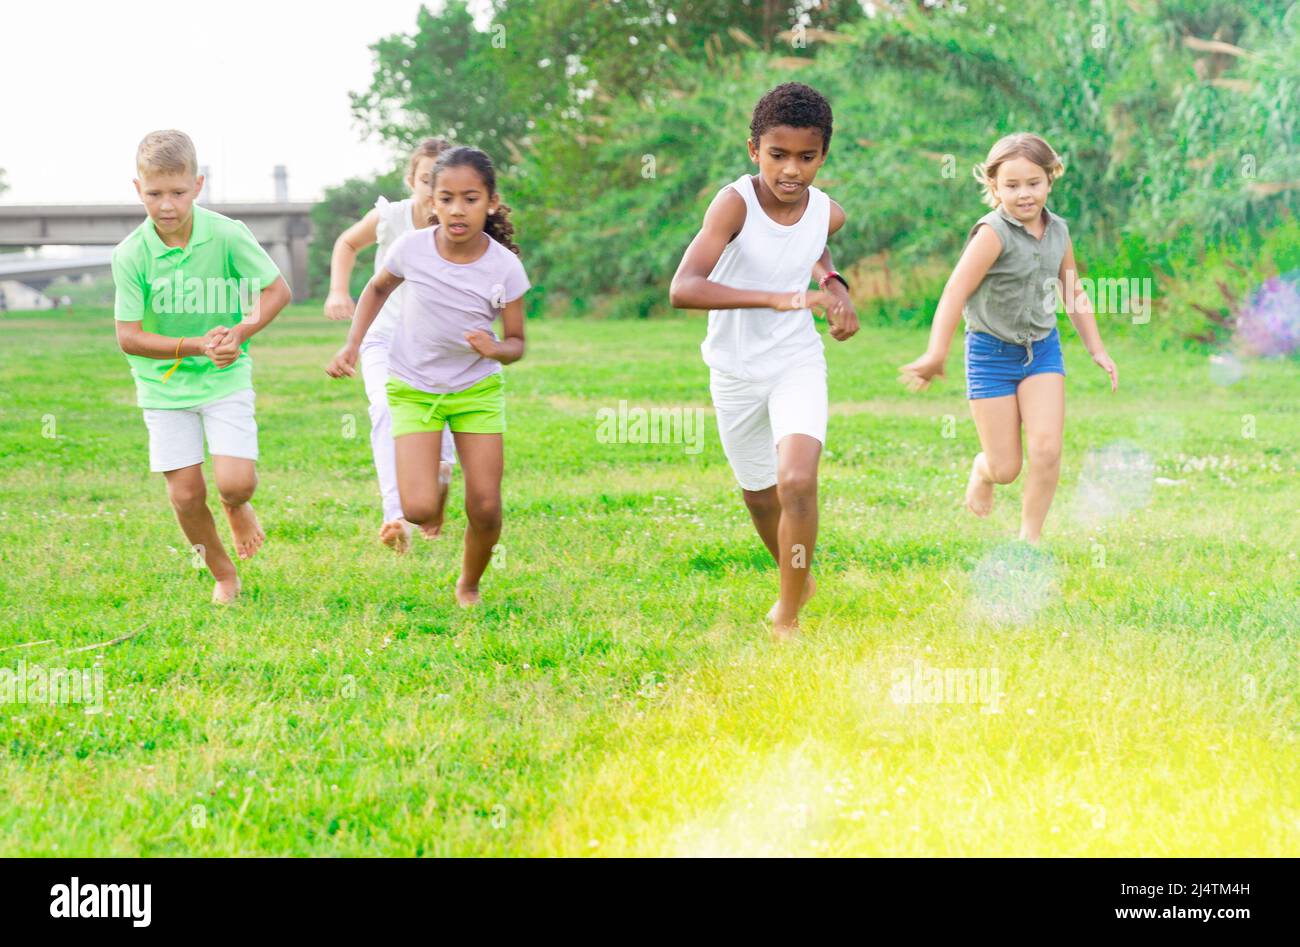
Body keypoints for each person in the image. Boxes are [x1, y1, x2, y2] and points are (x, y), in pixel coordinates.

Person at [669, 82, 859, 638]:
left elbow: (813, 244)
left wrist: (834, 284)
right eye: (778, 155)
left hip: (795, 359)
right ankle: (796, 574)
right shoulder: (735, 203)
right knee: (759, 496)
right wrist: (777, 296)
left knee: (797, 480)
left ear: (824, 155)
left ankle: (788, 614)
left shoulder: (830, 213)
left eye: (807, 157)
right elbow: (684, 288)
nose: (792, 171)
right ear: (755, 150)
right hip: (733, 368)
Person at [327, 147, 529, 607]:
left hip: (476, 390)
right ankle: (437, 483)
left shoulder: (505, 267)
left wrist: (495, 348)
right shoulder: (411, 248)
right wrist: (352, 345)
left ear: (492, 202)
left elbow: (516, 342)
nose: (458, 209)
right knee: (418, 511)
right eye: (447, 198)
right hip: (414, 388)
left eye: (471, 198)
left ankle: (469, 584)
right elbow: (376, 289)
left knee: (486, 507)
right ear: (432, 202)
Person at [899, 132, 1118, 542]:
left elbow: (1072, 291)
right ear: (994, 187)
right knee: (1006, 469)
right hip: (990, 356)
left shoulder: (1059, 232)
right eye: (1011, 185)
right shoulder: (992, 234)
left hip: (1042, 352)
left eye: (1033, 183)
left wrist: (1098, 348)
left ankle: (1029, 538)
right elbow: (954, 292)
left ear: (1050, 180)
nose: (1024, 194)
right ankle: (983, 469)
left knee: (1048, 449)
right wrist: (935, 353)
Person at [112, 129, 292, 603]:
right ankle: (224, 575)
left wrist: (239, 333)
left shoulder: (228, 234)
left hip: (224, 378)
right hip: (163, 388)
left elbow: (276, 292)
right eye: (154, 194)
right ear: (138, 190)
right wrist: (196, 345)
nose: (166, 205)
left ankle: (236, 506)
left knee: (237, 482)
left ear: (198, 185)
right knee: (186, 496)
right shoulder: (130, 254)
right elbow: (128, 337)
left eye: (177, 192)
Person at [324, 138, 457, 552]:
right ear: (410, 180)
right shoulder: (391, 216)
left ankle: (436, 490)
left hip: (437, 343)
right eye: (424, 179)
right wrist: (337, 292)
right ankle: (395, 517)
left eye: (441, 181)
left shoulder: (459, 223)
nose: (432, 189)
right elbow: (347, 242)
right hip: (383, 336)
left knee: (439, 451)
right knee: (384, 408)